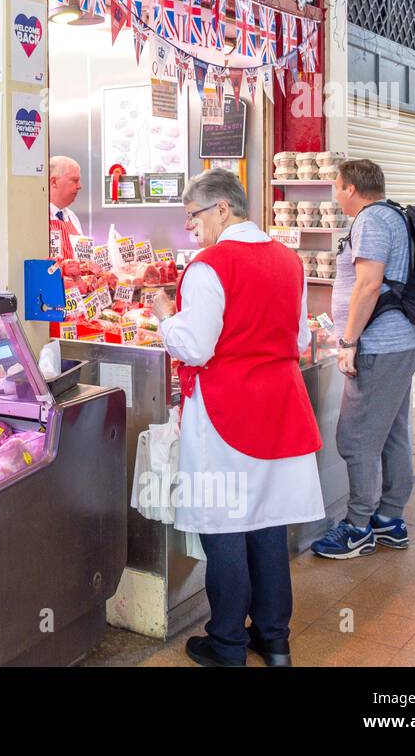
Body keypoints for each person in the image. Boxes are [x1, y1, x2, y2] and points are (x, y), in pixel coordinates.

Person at [149, 168, 324, 667]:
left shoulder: (210, 265)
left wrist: (166, 315)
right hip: (282, 407)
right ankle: (274, 639)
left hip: (227, 409)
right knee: (268, 522)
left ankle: (226, 643)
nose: (190, 228)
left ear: (222, 208)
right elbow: (299, 341)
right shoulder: (289, 260)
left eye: (193, 217)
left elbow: (196, 346)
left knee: (223, 525)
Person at [312, 158, 415, 559]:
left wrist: (348, 342)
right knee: (393, 433)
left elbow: (369, 284)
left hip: (379, 347)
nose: (335, 195)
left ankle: (358, 528)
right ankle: (389, 521)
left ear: (351, 189)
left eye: (336, 188)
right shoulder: (393, 214)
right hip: (400, 343)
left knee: (357, 437)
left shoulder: (372, 220)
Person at [49, 155, 83, 233]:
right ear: (54, 182)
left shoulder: (71, 217)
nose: (79, 186)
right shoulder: (38, 217)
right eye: (75, 180)